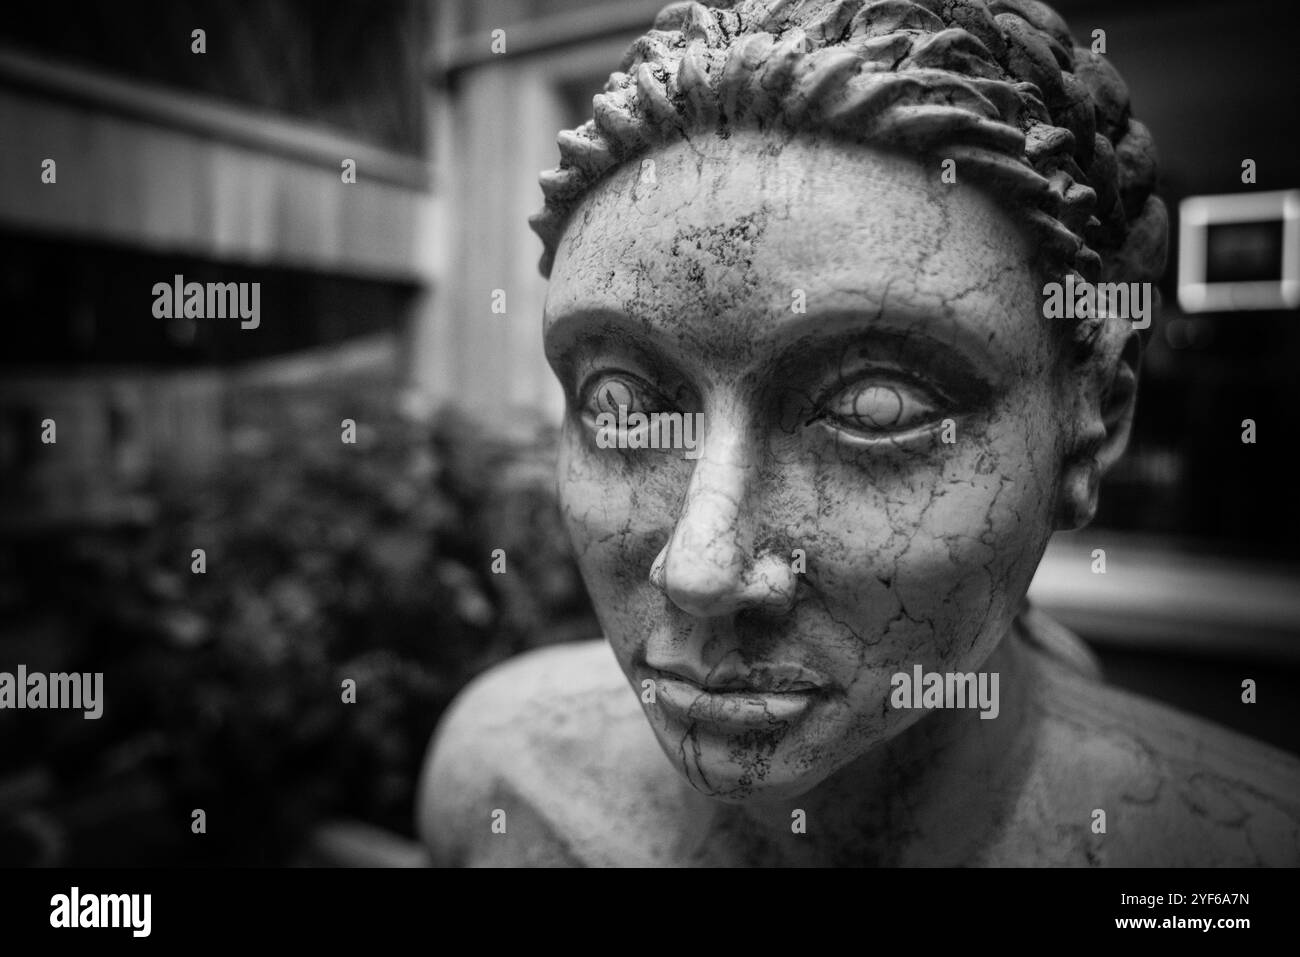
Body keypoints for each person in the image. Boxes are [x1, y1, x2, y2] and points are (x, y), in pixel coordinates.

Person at [418, 0, 1300, 866]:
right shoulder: (505, 778)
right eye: (620, 408)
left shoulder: (1225, 845)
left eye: (874, 410)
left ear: (1095, 415)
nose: (700, 568)